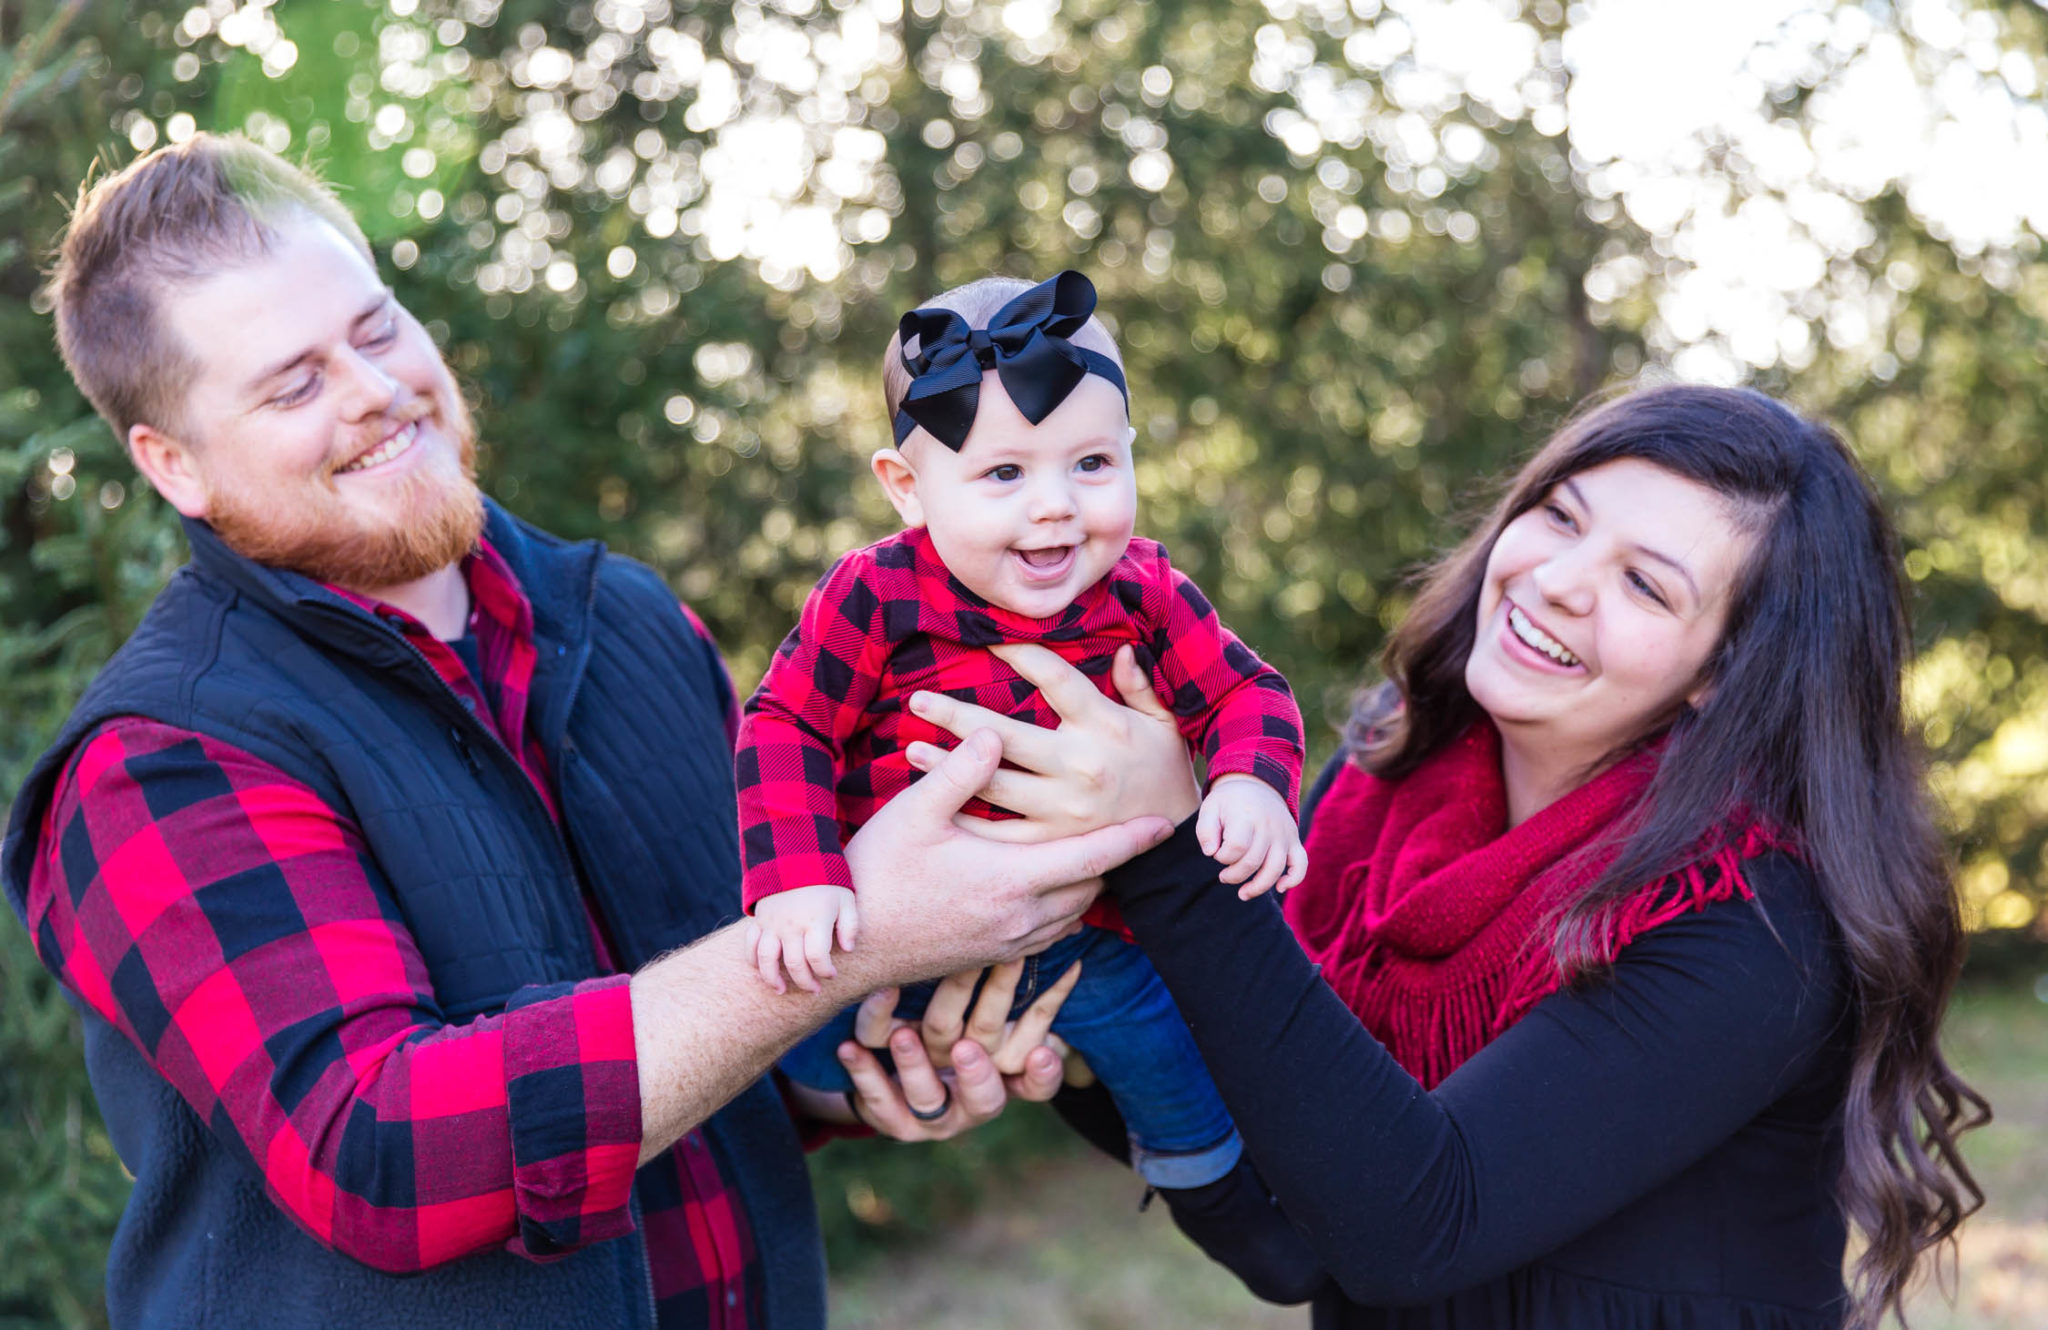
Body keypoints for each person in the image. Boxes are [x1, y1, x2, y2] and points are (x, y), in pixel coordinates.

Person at [0, 133, 1173, 1330]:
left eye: (375, 327)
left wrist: (857, 1071)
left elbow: (717, 1004)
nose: (371, 388)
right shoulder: (159, 762)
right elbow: (385, 1154)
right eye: (293, 383)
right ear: (174, 465)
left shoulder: (630, 622)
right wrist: (866, 931)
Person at [906, 385, 1990, 1329]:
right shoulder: (1383, 774)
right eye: (1556, 515)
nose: (1559, 578)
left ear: (1725, 671)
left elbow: (1414, 1223)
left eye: (1645, 585)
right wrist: (1082, 1042)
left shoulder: (1747, 917)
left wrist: (1165, 844)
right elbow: (1292, 1232)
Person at [735, 271, 1306, 1206]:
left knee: (1179, 1076)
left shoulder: (1144, 591)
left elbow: (1247, 692)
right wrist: (799, 878)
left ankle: (1223, 1194)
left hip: (1092, 932)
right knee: (803, 1033)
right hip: (889, 929)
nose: (1055, 506)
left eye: (1091, 465)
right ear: (908, 490)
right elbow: (786, 723)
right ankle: (810, 1113)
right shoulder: (874, 594)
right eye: (1005, 473)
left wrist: (1249, 783)